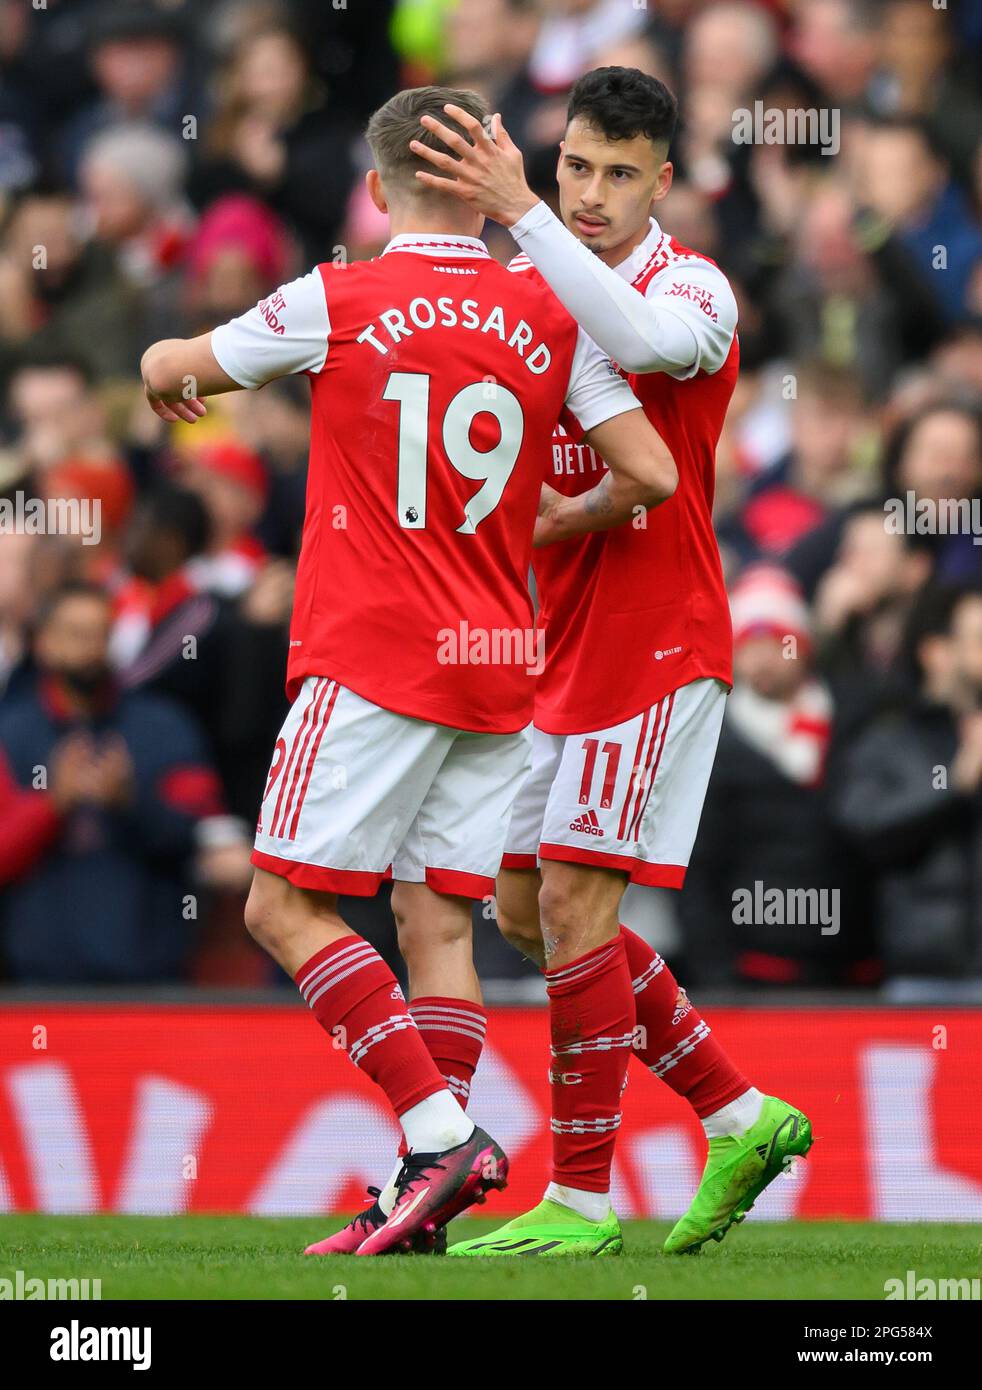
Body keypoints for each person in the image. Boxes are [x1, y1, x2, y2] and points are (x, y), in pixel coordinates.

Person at [139, 84, 678, 1257]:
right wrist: (530, 527)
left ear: (377, 192)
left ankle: (440, 1136)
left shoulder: (338, 294)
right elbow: (647, 473)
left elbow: (185, 362)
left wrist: (154, 361)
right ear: (483, 186)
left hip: (373, 653)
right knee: (436, 921)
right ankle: (415, 1200)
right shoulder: (550, 313)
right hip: (497, 663)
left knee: (279, 902)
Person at [411, 66, 813, 1257]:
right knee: (528, 910)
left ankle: (580, 1199)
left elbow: (631, 336)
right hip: (558, 641)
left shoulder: (691, 285)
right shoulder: (526, 280)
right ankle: (739, 1113)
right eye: (574, 167)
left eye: (618, 175)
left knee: (581, 902)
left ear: (663, 181)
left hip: (660, 631)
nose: (589, 195)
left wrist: (520, 212)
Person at [0, 582, 228, 983]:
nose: (90, 648)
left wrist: (131, 801)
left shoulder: (164, 726)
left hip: (151, 976)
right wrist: (51, 805)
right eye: (75, 633)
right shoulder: (10, 732)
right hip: (37, 983)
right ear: (44, 642)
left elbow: (200, 833)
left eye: (101, 634)